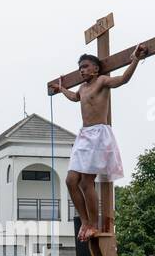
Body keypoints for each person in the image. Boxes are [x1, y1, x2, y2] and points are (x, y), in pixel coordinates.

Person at [48, 44, 149, 241]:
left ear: (95, 68)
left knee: (86, 181)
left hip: (98, 134)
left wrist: (135, 59)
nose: (82, 70)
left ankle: (93, 224)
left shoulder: (101, 80)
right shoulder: (82, 88)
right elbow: (74, 97)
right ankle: (85, 221)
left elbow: (122, 79)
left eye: (85, 66)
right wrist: (61, 89)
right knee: (70, 180)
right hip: (84, 135)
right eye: (80, 68)